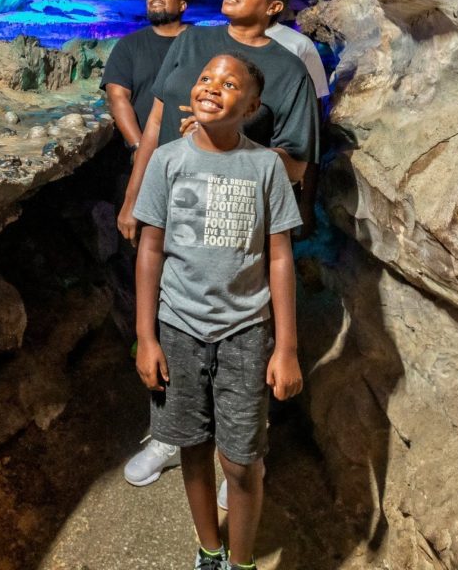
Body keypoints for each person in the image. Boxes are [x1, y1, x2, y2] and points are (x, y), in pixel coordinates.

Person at [121, 0, 317, 487]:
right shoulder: (191, 43)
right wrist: (132, 194)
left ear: (274, 7)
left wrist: (224, 141)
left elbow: (296, 162)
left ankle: (242, 455)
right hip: (172, 209)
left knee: (238, 345)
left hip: (234, 230)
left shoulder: (290, 70)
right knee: (166, 326)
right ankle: (168, 433)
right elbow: (158, 118)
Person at [132, 53, 303, 570]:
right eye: (206, 77)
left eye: (229, 83)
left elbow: (278, 255)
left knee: (243, 460)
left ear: (250, 105)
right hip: (178, 325)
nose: (212, 86)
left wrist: (287, 348)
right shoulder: (168, 160)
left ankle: (242, 560)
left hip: (245, 330)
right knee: (190, 443)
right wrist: (146, 336)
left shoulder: (266, 165)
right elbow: (150, 248)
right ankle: (210, 550)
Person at [100, 0, 188, 153]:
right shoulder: (129, 44)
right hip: (144, 146)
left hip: (191, 149)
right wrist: (139, 147)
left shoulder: (200, 41)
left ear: (182, 5)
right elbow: (117, 97)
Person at [265, 16, 329, 236]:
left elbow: (312, 125)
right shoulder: (216, 40)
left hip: (281, 168)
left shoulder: (298, 44)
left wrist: (306, 203)